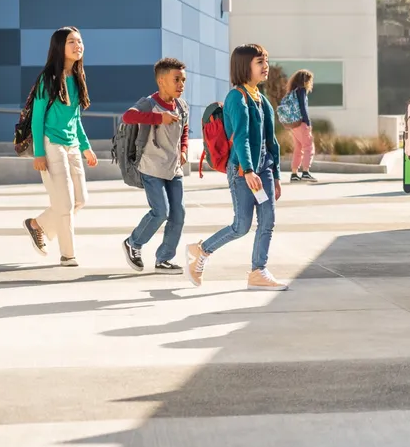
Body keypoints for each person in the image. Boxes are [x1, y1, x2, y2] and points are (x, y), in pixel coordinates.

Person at [184, 44, 287, 291]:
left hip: (264, 168)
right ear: (245, 66)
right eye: (260, 62)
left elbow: (270, 140)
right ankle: (202, 251)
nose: (266, 67)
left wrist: (276, 174)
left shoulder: (261, 99)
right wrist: (249, 170)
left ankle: (258, 271)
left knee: (268, 220)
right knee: (241, 225)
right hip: (243, 169)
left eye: (266, 61)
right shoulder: (236, 97)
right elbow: (240, 137)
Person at [22, 26, 98, 267]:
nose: (78, 45)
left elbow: (75, 119)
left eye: (79, 41)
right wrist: (39, 153)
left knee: (80, 200)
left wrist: (86, 147)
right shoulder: (48, 78)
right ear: (59, 47)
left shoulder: (77, 78)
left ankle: (37, 224)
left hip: (72, 145)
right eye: (71, 42)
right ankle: (68, 254)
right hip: (51, 143)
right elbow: (37, 117)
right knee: (64, 204)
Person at [120, 57, 190, 274]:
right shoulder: (149, 103)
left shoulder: (182, 106)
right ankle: (133, 243)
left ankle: (164, 259)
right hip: (151, 167)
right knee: (161, 212)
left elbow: (185, 129)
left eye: (183, 80)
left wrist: (184, 150)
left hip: (173, 168)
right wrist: (159, 118)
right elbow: (128, 117)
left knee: (178, 214)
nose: (181, 84)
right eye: (176, 79)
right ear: (161, 81)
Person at [286, 69, 317, 183]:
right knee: (309, 147)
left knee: (298, 148)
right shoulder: (302, 90)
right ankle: (306, 172)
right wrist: (308, 123)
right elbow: (303, 108)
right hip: (302, 123)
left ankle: (294, 173)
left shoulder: (292, 91)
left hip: (294, 124)